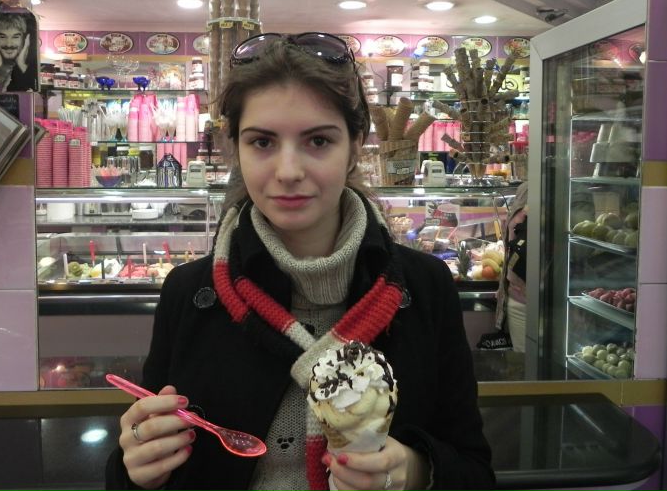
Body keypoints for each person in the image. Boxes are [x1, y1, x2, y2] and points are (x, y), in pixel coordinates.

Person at [105, 32, 494, 491]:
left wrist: (413, 470)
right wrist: (138, 469)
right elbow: (142, 464)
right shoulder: (189, 291)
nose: (288, 172)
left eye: (318, 141)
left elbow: (474, 471)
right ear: (236, 148)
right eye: (262, 142)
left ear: (355, 145)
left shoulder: (424, 285)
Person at [495, 182, 528, 353]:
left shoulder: (570, 191)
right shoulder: (524, 189)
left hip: (555, 304)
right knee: (522, 362)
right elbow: (511, 245)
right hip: (518, 301)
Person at [0, 13, 36, 91]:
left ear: (24, 39)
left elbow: (32, 88)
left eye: (15, 37)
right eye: (2, 37)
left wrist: (21, 64)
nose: (9, 44)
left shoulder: (32, 67)